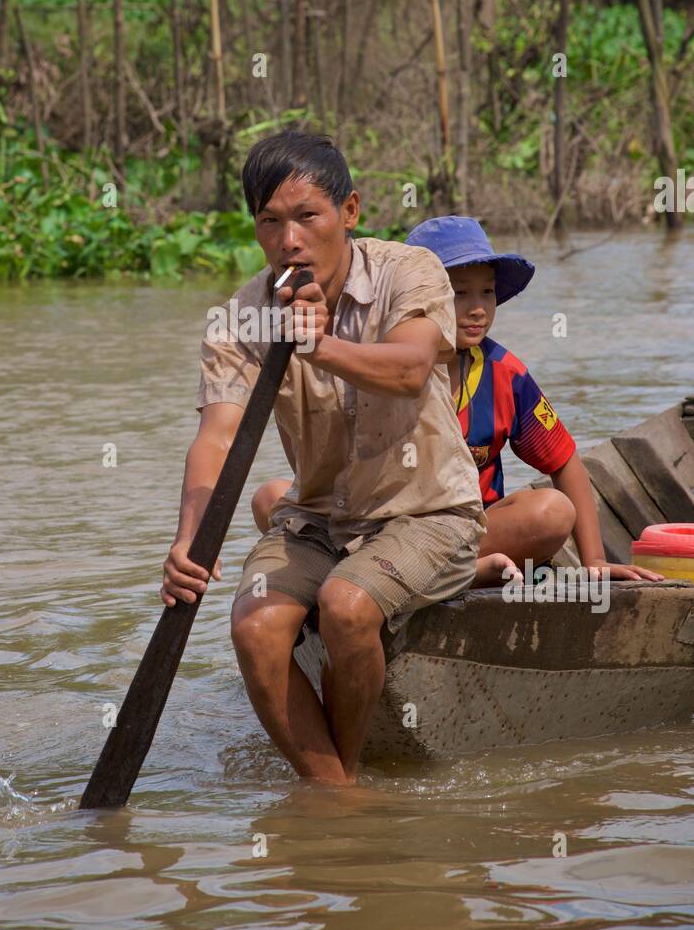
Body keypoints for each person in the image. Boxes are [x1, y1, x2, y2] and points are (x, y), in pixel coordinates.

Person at [161, 132, 486, 786]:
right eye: (269, 222)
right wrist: (188, 542)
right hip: (315, 520)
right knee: (253, 627)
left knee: (344, 606)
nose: (289, 240)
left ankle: (343, 781)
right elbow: (217, 438)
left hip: (427, 514)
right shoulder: (241, 317)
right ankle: (335, 794)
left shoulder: (408, 270)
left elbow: (410, 367)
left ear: (350, 211)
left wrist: (319, 346)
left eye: (307, 216)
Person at [257, 214, 660, 588]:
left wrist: (593, 563)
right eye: (457, 293)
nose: (477, 308)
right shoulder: (373, 361)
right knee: (269, 498)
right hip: (370, 526)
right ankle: (443, 576)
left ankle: (441, 571)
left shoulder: (505, 373)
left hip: (462, 532)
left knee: (552, 511)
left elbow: (563, 462)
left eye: (486, 291)